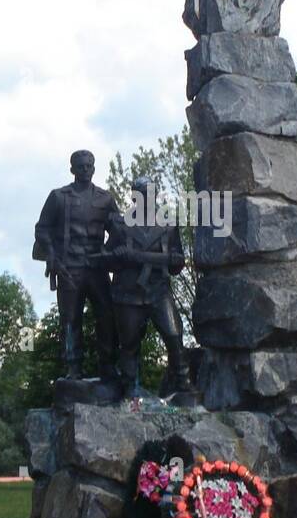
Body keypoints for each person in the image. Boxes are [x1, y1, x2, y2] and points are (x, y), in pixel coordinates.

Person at [33, 149, 124, 380]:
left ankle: (107, 365)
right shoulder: (58, 197)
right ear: (72, 169)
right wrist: (52, 255)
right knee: (70, 319)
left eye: (89, 166)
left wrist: (108, 251)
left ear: (94, 168)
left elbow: (120, 231)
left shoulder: (105, 199)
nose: (85, 170)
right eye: (81, 166)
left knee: (106, 316)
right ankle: (73, 367)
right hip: (69, 268)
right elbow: (42, 229)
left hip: (97, 268)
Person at [104, 177, 193, 398]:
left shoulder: (169, 225)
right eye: (142, 194)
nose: (147, 198)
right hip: (128, 294)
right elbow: (106, 258)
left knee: (173, 334)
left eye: (151, 193)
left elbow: (177, 263)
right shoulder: (121, 224)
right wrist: (118, 257)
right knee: (129, 343)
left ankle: (183, 382)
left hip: (158, 291)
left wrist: (174, 260)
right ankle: (130, 387)